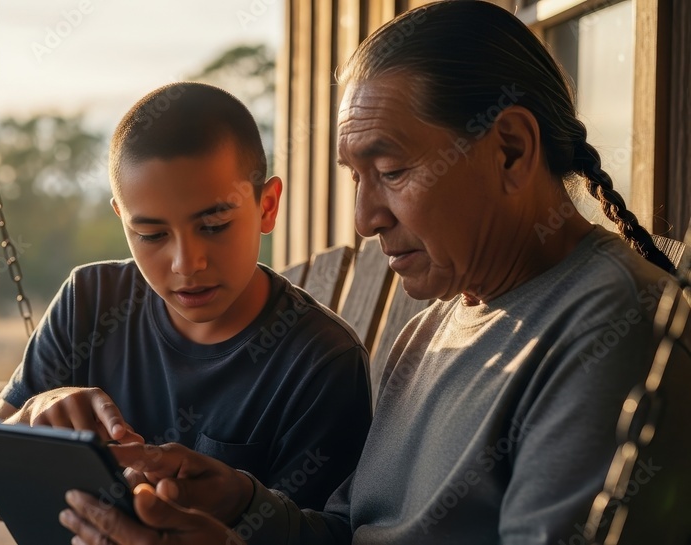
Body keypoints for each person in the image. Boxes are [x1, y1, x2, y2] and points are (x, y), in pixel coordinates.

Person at [56, 2, 691, 544]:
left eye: (390, 172)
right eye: (356, 178)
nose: (364, 218)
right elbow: (351, 531)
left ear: (511, 151)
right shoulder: (430, 331)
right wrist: (241, 507)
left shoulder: (608, 330)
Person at [0, 82, 373, 523]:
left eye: (214, 225)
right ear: (122, 219)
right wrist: (31, 419)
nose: (186, 264)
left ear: (266, 206)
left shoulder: (321, 363)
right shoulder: (89, 304)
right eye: (151, 235)